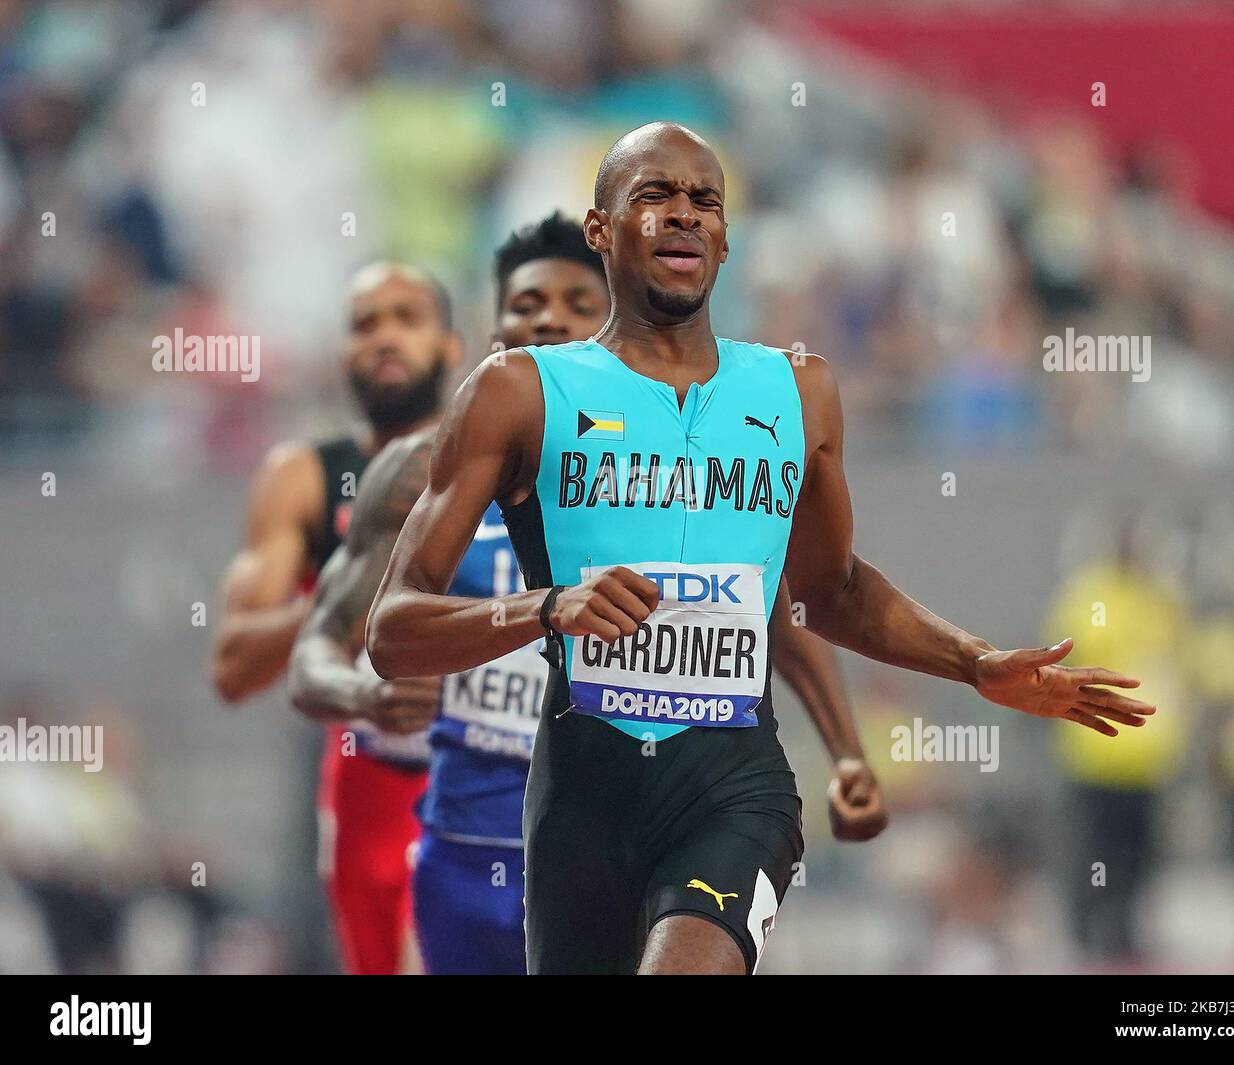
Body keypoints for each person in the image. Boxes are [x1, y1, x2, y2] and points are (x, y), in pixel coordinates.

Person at [367, 122, 1155, 975]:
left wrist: (977, 661)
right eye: (653, 197)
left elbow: (831, 590)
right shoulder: (520, 392)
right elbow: (393, 628)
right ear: (600, 230)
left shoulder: (798, 389)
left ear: (726, 237)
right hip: (579, 800)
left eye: (704, 201)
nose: (683, 215)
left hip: (734, 788)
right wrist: (546, 607)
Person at [290, 213, 885, 975]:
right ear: (492, 326)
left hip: (632, 813)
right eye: (525, 305)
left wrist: (846, 754)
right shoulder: (417, 476)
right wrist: (361, 695)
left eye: (574, 304)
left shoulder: (661, 471)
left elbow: (782, 613)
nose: (547, 320)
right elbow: (332, 643)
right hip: (474, 843)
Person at [212, 261, 461, 974]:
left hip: (493, 769)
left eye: (406, 319)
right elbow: (233, 666)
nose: (385, 337)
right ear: (340, 352)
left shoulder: (498, 463)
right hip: (371, 779)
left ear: (450, 344)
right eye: (364, 323)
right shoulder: (306, 477)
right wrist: (343, 598)